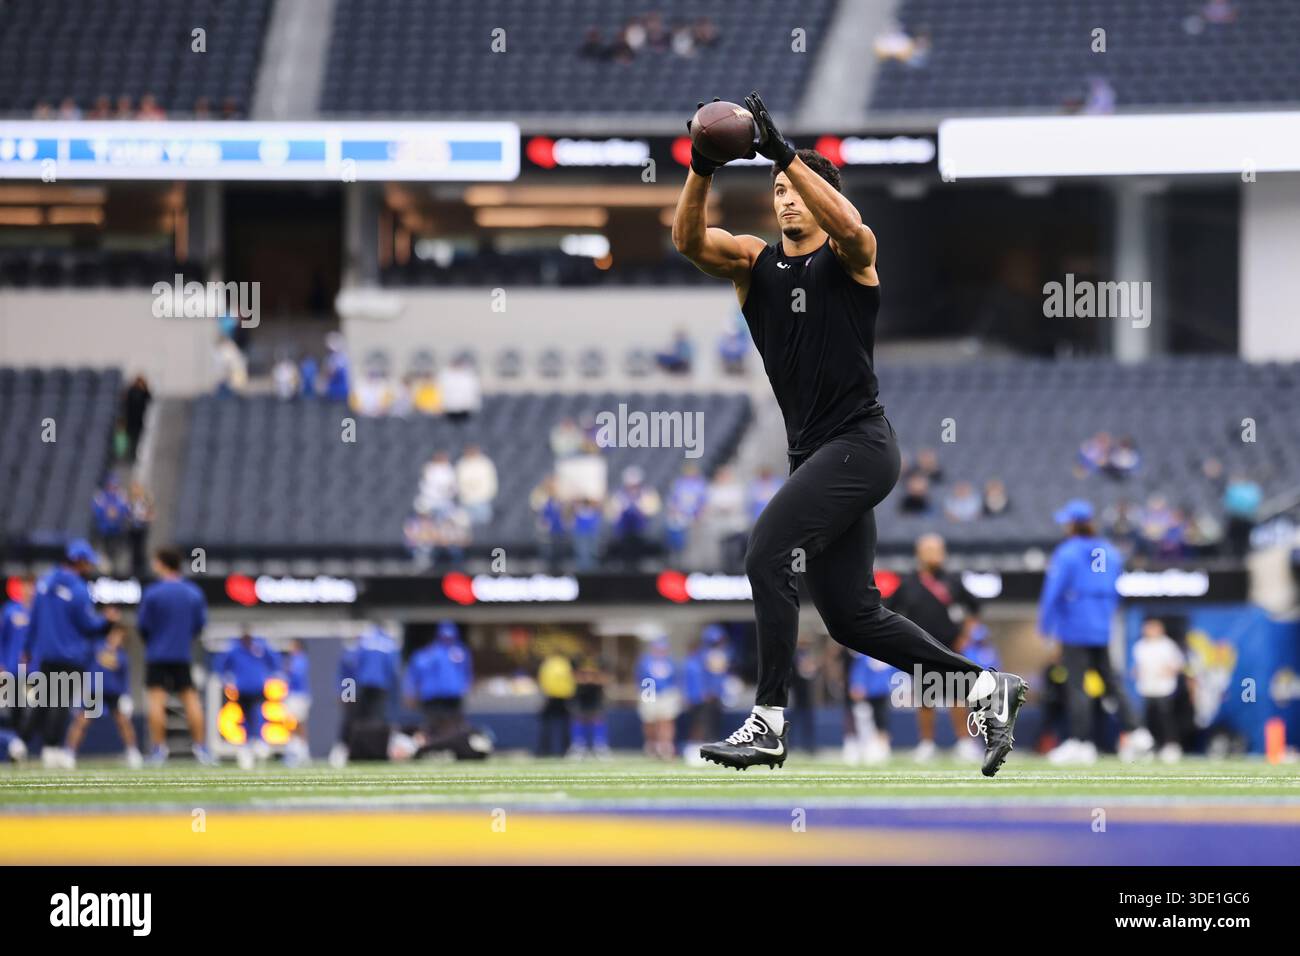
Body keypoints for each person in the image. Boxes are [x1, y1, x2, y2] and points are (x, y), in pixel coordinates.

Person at [670, 93, 1026, 774]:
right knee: (852, 617)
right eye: (776, 189)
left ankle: (769, 719)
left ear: (821, 196)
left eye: (797, 189)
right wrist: (701, 165)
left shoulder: (849, 258)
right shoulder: (755, 265)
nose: (785, 199)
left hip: (860, 445)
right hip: (818, 456)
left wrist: (784, 153)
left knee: (764, 553)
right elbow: (688, 242)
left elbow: (855, 228)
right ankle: (985, 685)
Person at [1039, 500, 1147, 764]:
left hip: (1075, 626)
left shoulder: (1067, 552)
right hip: (1101, 626)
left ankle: (1081, 742)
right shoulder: (1110, 551)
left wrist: (1045, 625)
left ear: (1072, 524)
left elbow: (1053, 591)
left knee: (1077, 685)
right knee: (1111, 681)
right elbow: (1115, 591)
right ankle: (1137, 732)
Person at [887, 534, 983, 762]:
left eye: (937, 549)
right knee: (925, 698)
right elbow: (889, 611)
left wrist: (966, 637)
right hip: (921, 649)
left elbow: (974, 609)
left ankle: (964, 742)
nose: (934, 554)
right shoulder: (908, 583)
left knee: (959, 696)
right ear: (919, 554)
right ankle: (927, 743)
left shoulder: (953, 580)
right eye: (929, 549)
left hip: (951, 649)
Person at [26, 540, 120, 768]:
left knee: (45, 700)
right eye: (87, 562)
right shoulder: (78, 589)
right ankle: (52, 747)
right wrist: (107, 622)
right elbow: (88, 625)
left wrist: (28, 648)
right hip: (71, 655)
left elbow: (34, 619)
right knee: (60, 702)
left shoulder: (44, 583)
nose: (90, 567)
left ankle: (22, 742)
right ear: (79, 561)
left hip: (47, 653)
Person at [136, 547, 212, 765]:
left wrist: (156, 641)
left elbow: (143, 626)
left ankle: (159, 750)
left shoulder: (153, 593)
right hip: (182, 654)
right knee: (191, 700)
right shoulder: (193, 592)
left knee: (156, 701)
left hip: (157, 654)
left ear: (162, 563)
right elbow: (199, 626)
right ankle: (201, 749)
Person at [65, 625, 143, 768]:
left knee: (124, 722)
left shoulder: (122, 657)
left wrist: (127, 696)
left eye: (121, 637)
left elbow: (124, 679)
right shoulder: (96, 648)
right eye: (115, 634)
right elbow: (83, 667)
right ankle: (69, 752)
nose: (117, 639)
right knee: (81, 722)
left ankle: (133, 752)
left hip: (114, 693)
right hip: (95, 691)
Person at [216, 630, 283, 769]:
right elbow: (221, 665)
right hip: (242, 690)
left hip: (258, 688)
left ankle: (258, 740)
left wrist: (270, 675)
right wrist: (227, 679)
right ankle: (247, 746)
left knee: (257, 713)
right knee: (245, 717)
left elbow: (275, 661)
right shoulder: (234, 649)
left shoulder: (260, 647)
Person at [404, 621, 473, 738]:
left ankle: (453, 745)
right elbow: (414, 673)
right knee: (434, 724)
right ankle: (434, 747)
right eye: (445, 637)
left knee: (454, 724)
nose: (448, 639)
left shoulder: (460, 651)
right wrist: (410, 691)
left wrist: (466, 686)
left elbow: (466, 672)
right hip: (433, 696)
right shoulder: (429, 653)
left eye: (450, 637)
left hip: (453, 695)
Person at [1132, 618, 1186, 763]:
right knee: (1149, 719)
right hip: (1146, 688)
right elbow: (1138, 666)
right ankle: (1153, 746)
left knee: (1165, 718)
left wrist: (1168, 671)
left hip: (1163, 688)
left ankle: (1171, 746)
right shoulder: (1140, 646)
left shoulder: (1167, 645)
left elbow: (1178, 664)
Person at [681, 625, 730, 763]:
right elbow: (702, 676)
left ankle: (710, 750)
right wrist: (704, 692)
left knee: (713, 724)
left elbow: (719, 676)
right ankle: (695, 750)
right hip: (703, 697)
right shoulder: (703, 655)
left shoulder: (720, 654)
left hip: (715, 696)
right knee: (700, 723)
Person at [847, 653, 900, 764]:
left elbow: (895, 673)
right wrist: (857, 685)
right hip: (866, 694)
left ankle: (883, 749)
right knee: (864, 722)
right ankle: (864, 747)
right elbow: (858, 672)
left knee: (882, 722)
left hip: (882, 693)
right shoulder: (864, 657)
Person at [636, 636, 681, 760]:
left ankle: (665, 746)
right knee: (650, 720)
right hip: (649, 692)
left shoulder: (670, 661)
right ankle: (651, 744)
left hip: (666, 693)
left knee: (666, 720)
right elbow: (640, 678)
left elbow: (675, 679)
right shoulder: (645, 661)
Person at [569, 649, 611, 759]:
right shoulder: (577, 658)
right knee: (579, 718)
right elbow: (573, 676)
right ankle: (579, 746)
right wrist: (586, 678)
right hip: (581, 694)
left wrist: (592, 679)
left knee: (597, 718)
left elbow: (606, 678)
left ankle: (599, 746)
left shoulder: (600, 660)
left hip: (595, 694)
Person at [536, 651, 576, 757]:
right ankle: (566, 749)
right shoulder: (565, 663)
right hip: (564, 697)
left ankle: (544, 750)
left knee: (547, 725)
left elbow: (542, 680)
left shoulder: (548, 664)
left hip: (551, 697)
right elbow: (571, 680)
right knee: (565, 725)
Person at [284, 639, 311, 766]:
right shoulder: (294, 659)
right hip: (295, 695)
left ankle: (301, 752)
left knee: (298, 724)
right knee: (293, 724)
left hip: (298, 695)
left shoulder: (299, 659)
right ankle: (296, 751)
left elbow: (296, 676)